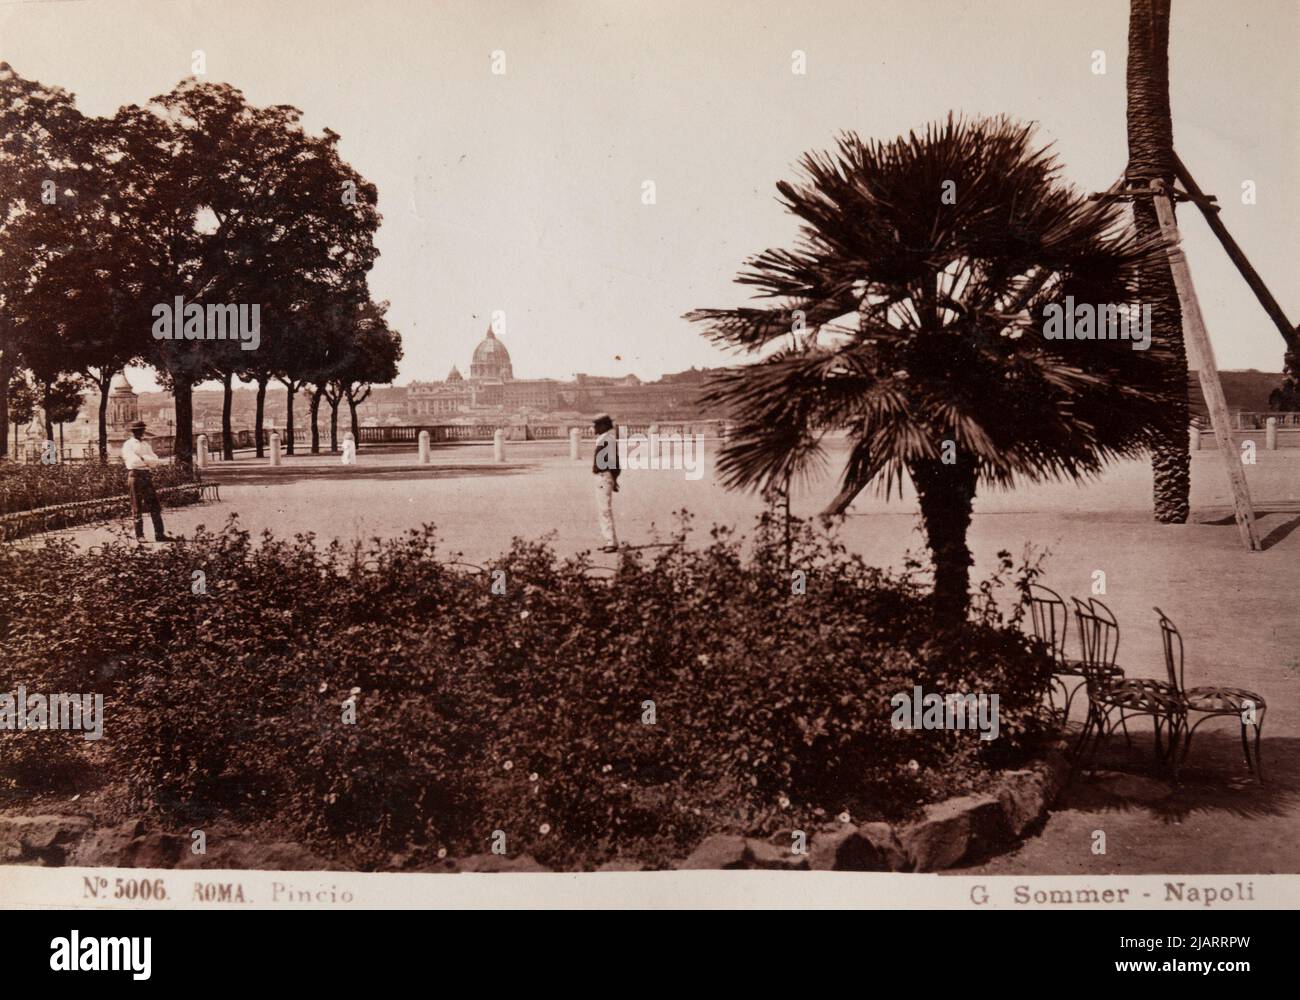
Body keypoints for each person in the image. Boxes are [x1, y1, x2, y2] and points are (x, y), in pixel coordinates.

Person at [121, 420, 174, 543]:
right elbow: (133, 462)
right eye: (138, 430)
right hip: (135, 476)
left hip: (146, 476)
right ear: (133, 432)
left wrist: (144, 459)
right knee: (137, 506)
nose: (141, 432)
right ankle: (140, 535)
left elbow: (155, 460)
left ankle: (159, 534)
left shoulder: (146, 445)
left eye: (142, 430)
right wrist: (147, 460)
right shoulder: (128, 445)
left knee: (155, 506)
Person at [592, 413, 620, 552]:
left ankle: (611, 542)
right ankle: (609, 540)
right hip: (603, 476)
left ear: (604, 426)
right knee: (603, 509)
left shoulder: (607, 439)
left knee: (604, 510)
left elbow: (613, 462)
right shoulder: (605, 438)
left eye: (597, 424)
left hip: (604, 476)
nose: (594, 427)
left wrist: (612, 477)